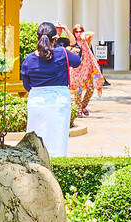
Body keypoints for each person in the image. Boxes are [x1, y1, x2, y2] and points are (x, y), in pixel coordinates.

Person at [20, 21, 79, 158]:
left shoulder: (28, 59)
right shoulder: (63, 53)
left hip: (36, 101)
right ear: (55, 39)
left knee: (35, 142)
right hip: (59, 101)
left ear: (37, 38)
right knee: (58, 140)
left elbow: (26, 85)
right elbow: (77, 61)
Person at [68, 24, 104, 116]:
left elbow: (92, 34)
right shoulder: (73, 42)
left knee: (91, 89)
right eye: (76, 31)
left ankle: (83, 106)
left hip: (87, 69)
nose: (78, 33)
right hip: (76, 69)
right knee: (78, 90)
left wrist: (84, 34)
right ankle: (79, 109)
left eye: (80, 31)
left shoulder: (86, 40)